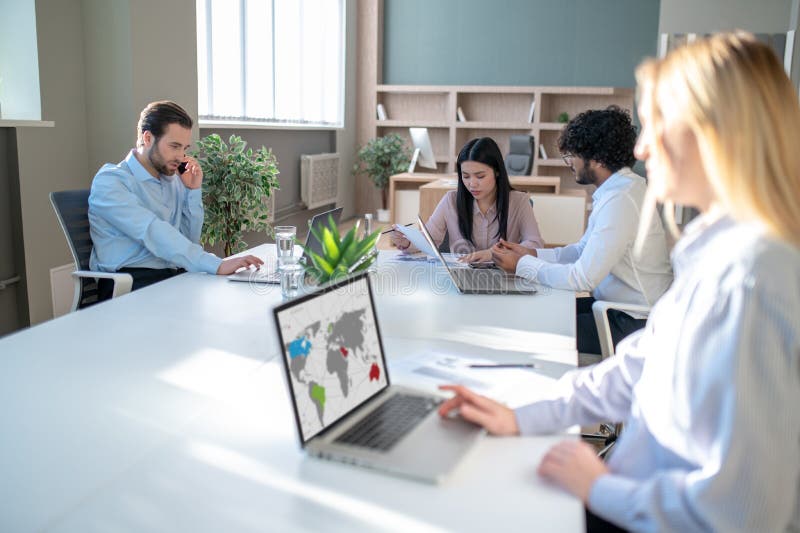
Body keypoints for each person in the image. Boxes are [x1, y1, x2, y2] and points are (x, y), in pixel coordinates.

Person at [440, 32, 800, 532]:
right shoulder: (716, 253)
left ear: (716, 135)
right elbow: (634, 369)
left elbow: (739, 514)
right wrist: (521, 414)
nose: (644, 147)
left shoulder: (749, 284)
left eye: (659, 127)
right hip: (629, 492)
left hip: (636, 508)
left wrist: (596, 486)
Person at [491, 107, 672, 355]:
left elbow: (582, 278)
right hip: (615, 308)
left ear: (596, 158)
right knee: (537, 307)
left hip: (634, 322)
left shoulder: (621, 199)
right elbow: (581, 251)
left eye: (572, 156)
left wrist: (521, 265)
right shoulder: (619, 190)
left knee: (530, 324)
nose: (570, 164)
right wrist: (530, 255)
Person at [89, 101, 262, 298]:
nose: (181, 156)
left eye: (184, 148)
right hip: (130, 282)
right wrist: (217, 264)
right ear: (148, 138)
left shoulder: (172, 178)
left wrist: (192, 190)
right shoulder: (111, 181)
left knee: (235, 298)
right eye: (174, 146)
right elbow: (153, 231)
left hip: (173, 274)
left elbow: (189, 240)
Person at [390, 137, 543, 262]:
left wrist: (493, 253)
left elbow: (535, 245)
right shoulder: (451, 200)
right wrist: (407, 241)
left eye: (480, 176)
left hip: (504, 277)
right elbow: (429, 239)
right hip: (461, 276)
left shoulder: (519, 201)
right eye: (466, 176)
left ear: (497, 172)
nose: (472, 184)